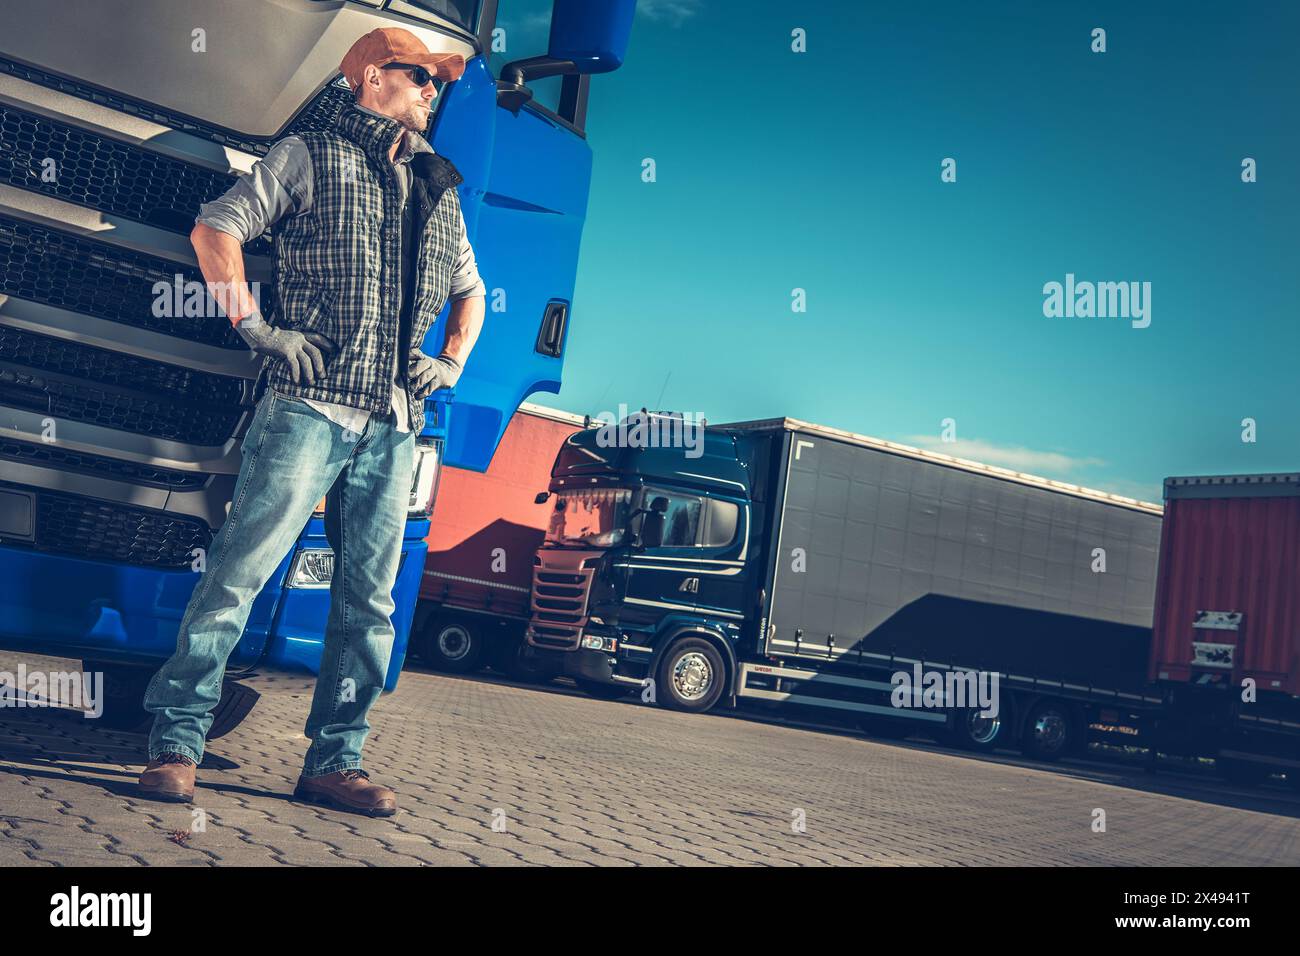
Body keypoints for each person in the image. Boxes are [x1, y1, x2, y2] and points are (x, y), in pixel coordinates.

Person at [138, 26, 486, 817]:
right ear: (369, 78)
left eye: (441, 83)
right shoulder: (310, 155)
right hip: (308, 410)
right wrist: (259, 331)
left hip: (395, 424)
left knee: (370, 604)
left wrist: (452, 363)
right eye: (420, 77)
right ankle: (176, 746)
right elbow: (214, 229)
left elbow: (472, 293)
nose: (434, 93)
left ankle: (335, 762)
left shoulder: (439, 188)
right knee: (239, 576)